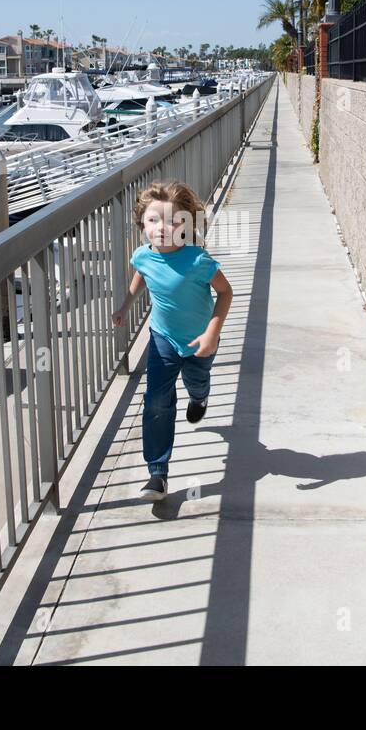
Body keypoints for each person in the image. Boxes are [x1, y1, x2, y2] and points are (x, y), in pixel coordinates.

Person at [111, 181, 233, 501]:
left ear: (186, 224)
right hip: (163, 337)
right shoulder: (142, 255)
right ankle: (157, 474)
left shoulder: (197, 260)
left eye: (172, 221)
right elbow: (141, 273)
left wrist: (212, 332)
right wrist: (125, 304)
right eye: (153, 221)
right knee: (156, 401)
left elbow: (225, 292)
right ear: (142, 224)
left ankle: (200, 397)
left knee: (197, 381)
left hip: (199, 342)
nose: (161, 228)